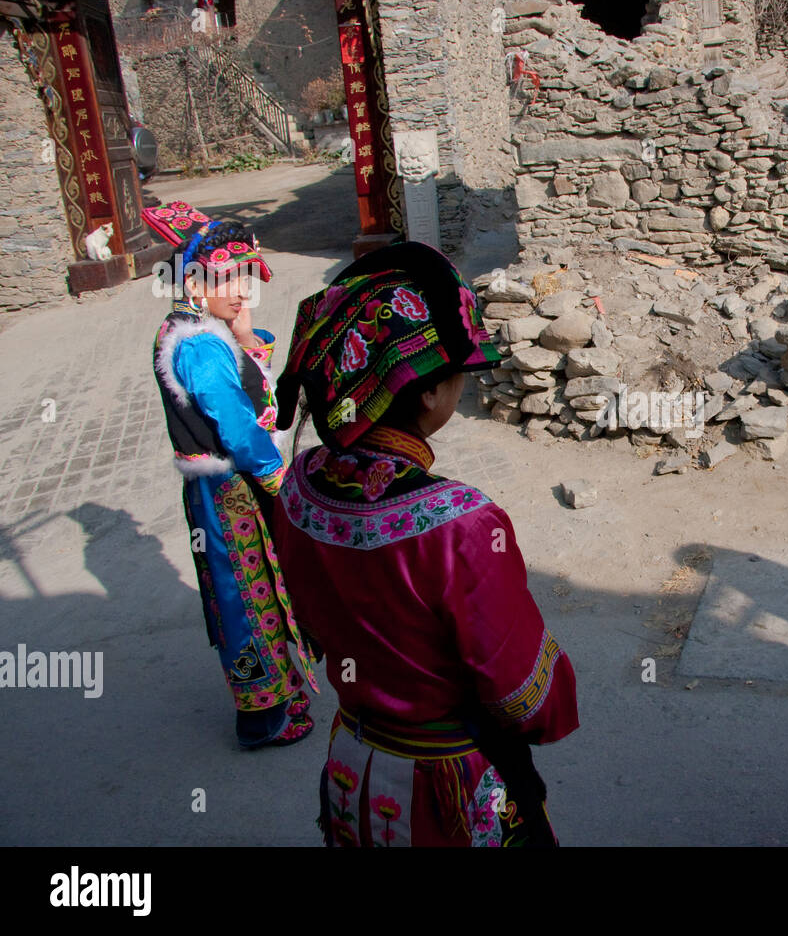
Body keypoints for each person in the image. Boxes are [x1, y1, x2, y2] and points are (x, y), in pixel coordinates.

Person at [271, 241, 580, 847]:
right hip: (445, 788)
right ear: (427, 394)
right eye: (459, 372)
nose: (463, 384)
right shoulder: (459, 524)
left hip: (353, 770)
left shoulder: (300, 489)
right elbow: (527, 695)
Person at [145, 201, 319, 750]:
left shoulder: (204, 331)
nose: (243, 291)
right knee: (243, 596)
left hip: (232, 488)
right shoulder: (195, 346)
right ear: (195, 282)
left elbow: (252, 383)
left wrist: (243, 333)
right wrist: (280, 479)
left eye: (246, 279)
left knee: (258, 590)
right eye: (230, 280)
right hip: (227, 493)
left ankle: (279, 694)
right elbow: (239, 425)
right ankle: (263, 718)